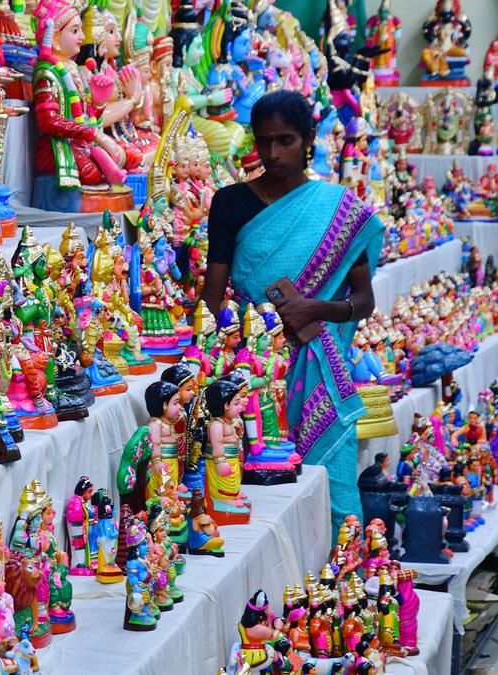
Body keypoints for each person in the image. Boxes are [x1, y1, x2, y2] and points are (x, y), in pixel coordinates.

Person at [201, 90, 382, 537]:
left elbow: (363, 301)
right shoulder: (230, 202)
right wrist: (226, 341)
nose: (272, 153)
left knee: (331, 486)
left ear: (309, 139)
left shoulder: (341, 211)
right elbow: (212, 294)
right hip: (252, 364)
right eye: (263, 142)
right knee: (254, 490)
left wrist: (311, 308)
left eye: (285, 141)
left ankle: (344, 579)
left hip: (316, 362)